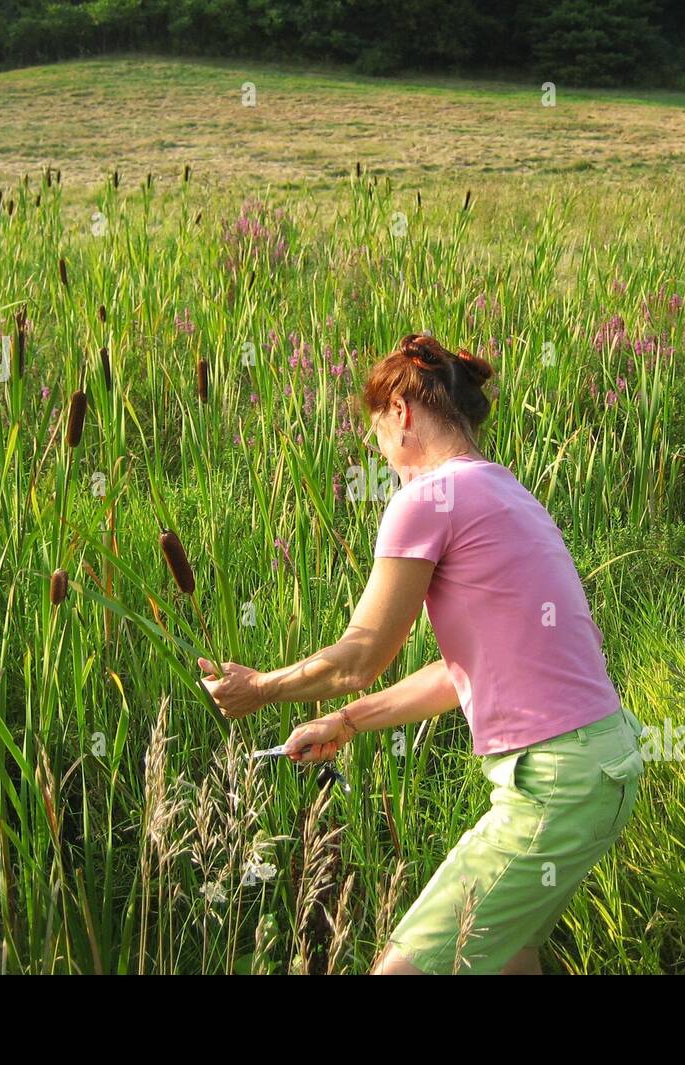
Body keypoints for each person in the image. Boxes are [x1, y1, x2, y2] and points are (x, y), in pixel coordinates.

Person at [200, 332, 643, 975]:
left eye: (377, 434)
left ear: (402, 413)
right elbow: (460, 670)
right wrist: (344, 722)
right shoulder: (509, 495)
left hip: (551, 783)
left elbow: (359, 657)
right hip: (605, 769)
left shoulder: (426, 499)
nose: (381, 455)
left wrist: (260, 688)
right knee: (509, 955)